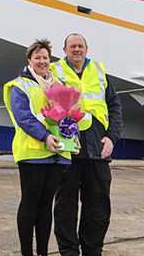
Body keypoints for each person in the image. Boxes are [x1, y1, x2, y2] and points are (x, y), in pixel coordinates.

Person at [51, 33, 122, 256]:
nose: (77, 49)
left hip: (97, 148)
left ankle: (93, 251)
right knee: (65, 206)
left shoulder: (100, 72)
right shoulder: (54, 70)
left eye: (80, 46)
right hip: (68, 148)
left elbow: (115, 108)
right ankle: (68, 252)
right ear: (64, 50)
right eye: (72, 46)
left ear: (87, 49)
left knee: (98, 206)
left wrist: (112, 137)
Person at [3, 39, 72, 256]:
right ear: (29, 61)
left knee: (46, 206)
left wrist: (71, 135)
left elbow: (69, 115)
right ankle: (26, 253)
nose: (42, 61)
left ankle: (42, 252)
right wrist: (45, 136)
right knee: (30, 204)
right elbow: (23, 117)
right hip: (33, 153)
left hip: (57, 154)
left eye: (45, 57)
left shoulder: (58, 85)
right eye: (38, 57)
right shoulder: (20, 85)